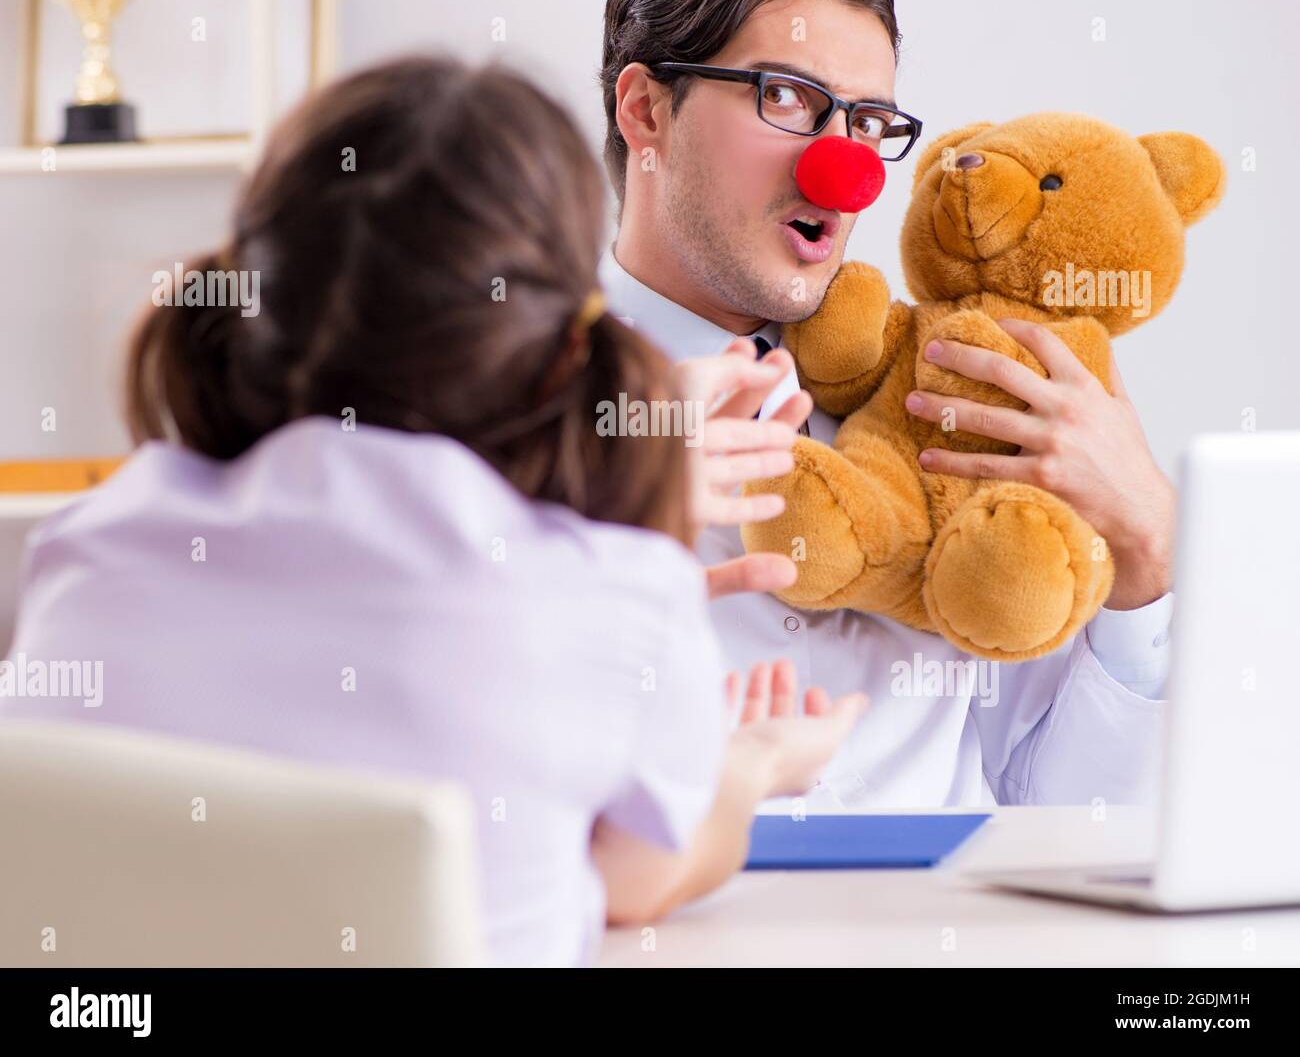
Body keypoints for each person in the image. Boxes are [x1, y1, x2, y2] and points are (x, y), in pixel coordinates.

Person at [0, 55, 866, 966]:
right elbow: (641, 878)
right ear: (563, 349)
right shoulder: (619, 593)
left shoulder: (91, 546)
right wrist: (756, 760)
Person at [598, 0, 1175, 809]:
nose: (843, 168)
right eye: (785, 97)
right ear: (646, 111)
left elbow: (1058, 818)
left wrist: (1146, 553)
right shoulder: (500, 409)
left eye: (866, 121)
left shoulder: (958, 391)